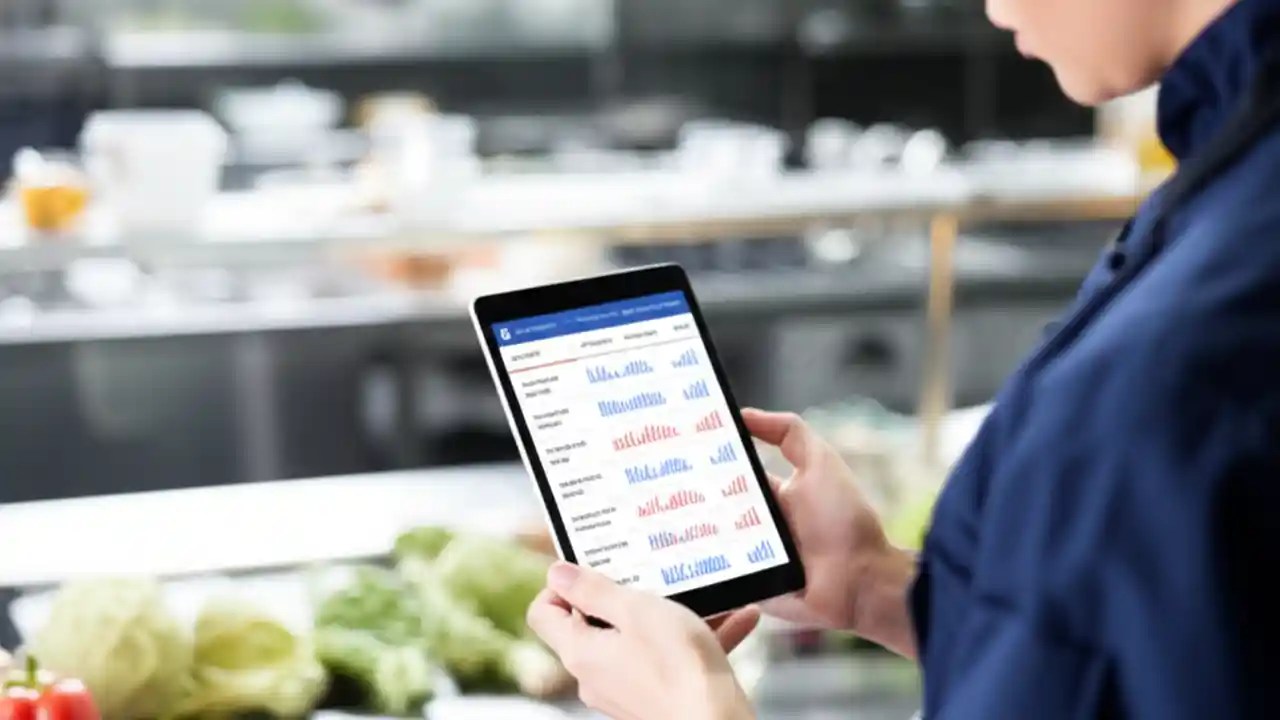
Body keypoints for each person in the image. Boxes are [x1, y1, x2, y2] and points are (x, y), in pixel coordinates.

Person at [526, 0, 1280, 716]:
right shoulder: (1232, 179)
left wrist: (698, 711)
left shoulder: (1180, 355)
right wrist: (874, 588)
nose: (987, 7)